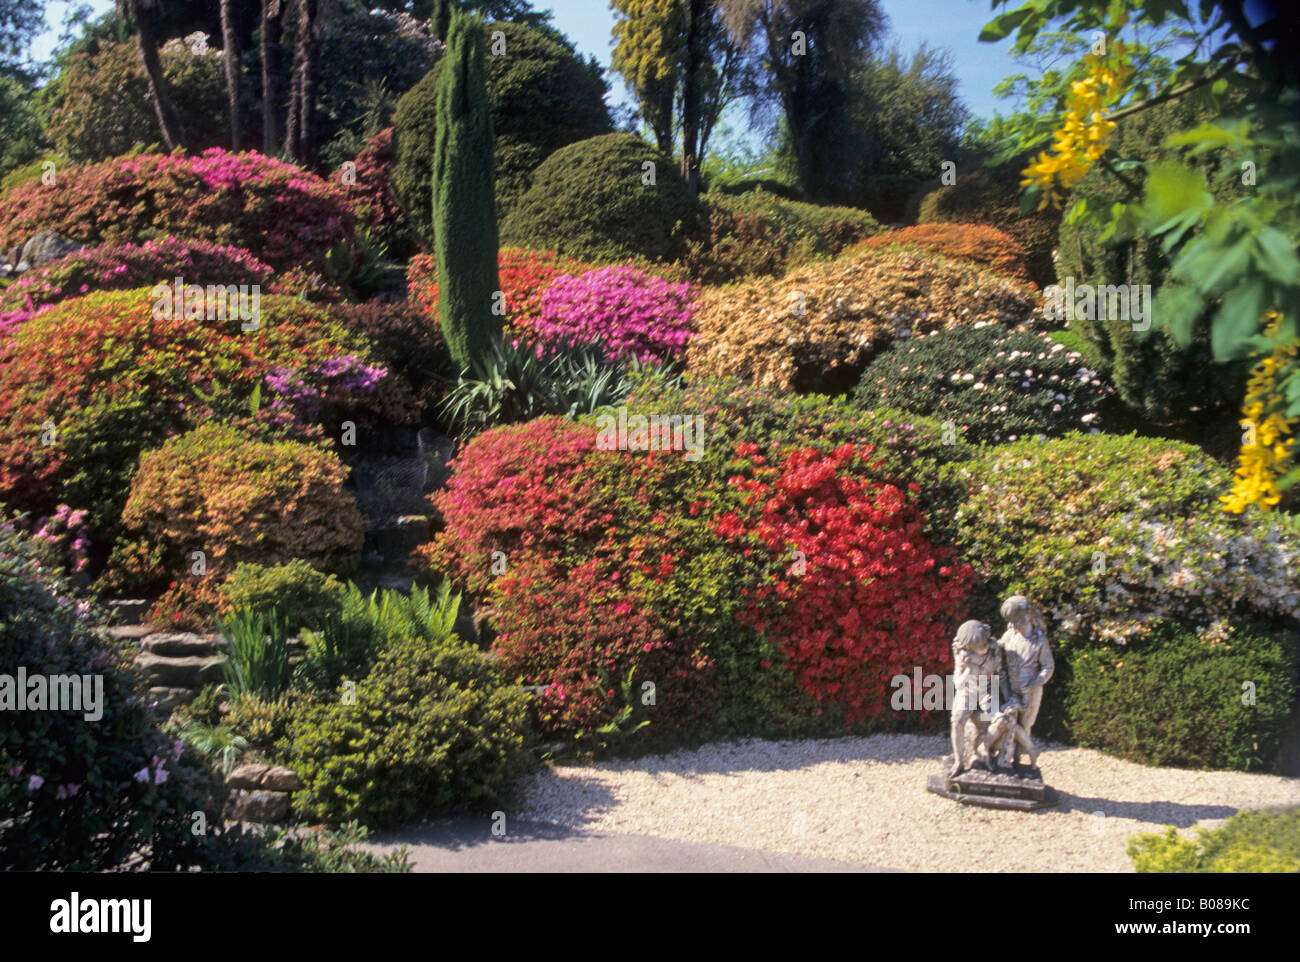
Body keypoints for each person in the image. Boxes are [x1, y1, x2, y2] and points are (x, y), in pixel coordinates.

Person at [993, 595, 1053, 772]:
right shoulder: (1010, 635)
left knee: (1025, 724)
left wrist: (1036, 682)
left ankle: (1020, 759)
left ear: (1025, 617)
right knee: (1008, 720)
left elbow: (1048, 666)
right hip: (1010, 688)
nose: (1013, 626)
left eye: (1016, 622)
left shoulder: (1039, 641)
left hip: (1030, 690)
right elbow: (999, 650)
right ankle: (1004, 756)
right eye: (1011, 623)